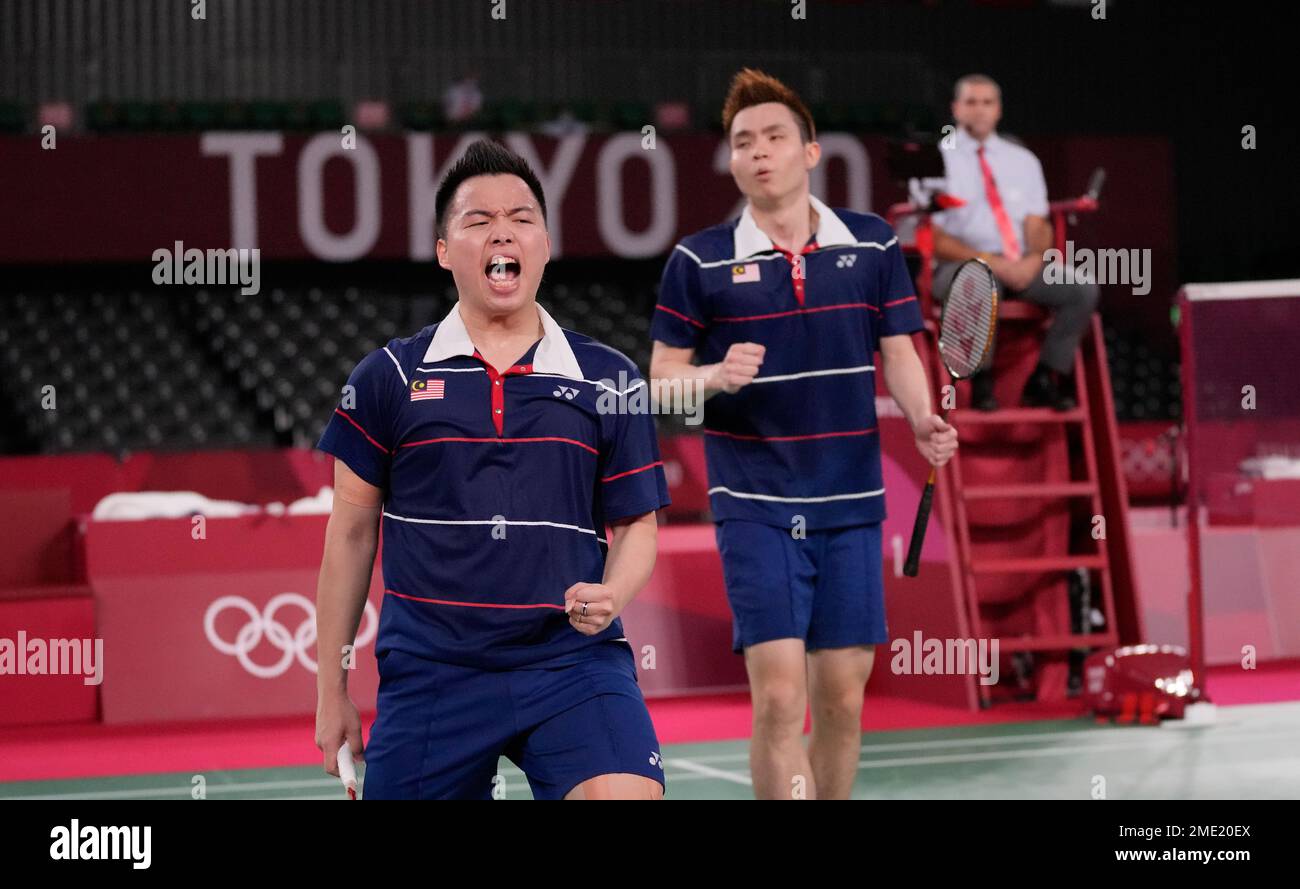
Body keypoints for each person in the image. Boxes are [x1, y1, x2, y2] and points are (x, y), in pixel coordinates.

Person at [314, 139, 670, 800]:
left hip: (571, 661)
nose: (502, 230)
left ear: (545, 242)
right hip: (433, 670)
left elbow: (638, 525)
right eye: (478, 220)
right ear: (446, 250)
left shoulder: (609, 378)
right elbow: (351, 533)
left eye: (522, 216)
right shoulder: (389, 376)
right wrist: (330, 689)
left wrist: (615, 593)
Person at [649, 69, 957, 800]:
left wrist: (920, 420)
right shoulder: (699, 261)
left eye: (775, 137)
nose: (759, 152)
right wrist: (716, 377)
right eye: (742, 142)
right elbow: (659, 381)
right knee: (780, 696)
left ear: (810, 152)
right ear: (730, 160)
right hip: (754, 500)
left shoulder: (873, 246)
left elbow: (900, 350)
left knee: (843, 698)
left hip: (851, 497)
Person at [931, 73, 1100, 411]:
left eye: (987, 103)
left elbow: (1038, 226)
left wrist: (1033, 261)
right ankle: (982, 382)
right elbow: (934, 238)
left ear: (999, 110)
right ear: (956, 109)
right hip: (960, 265)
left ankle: (1045, 377)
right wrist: (990, 262)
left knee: (1082, 288)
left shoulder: (1023, 161)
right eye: (971, 102)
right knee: (981, 279)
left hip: (1020, 265)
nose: (979, 110)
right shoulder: (936, 159)